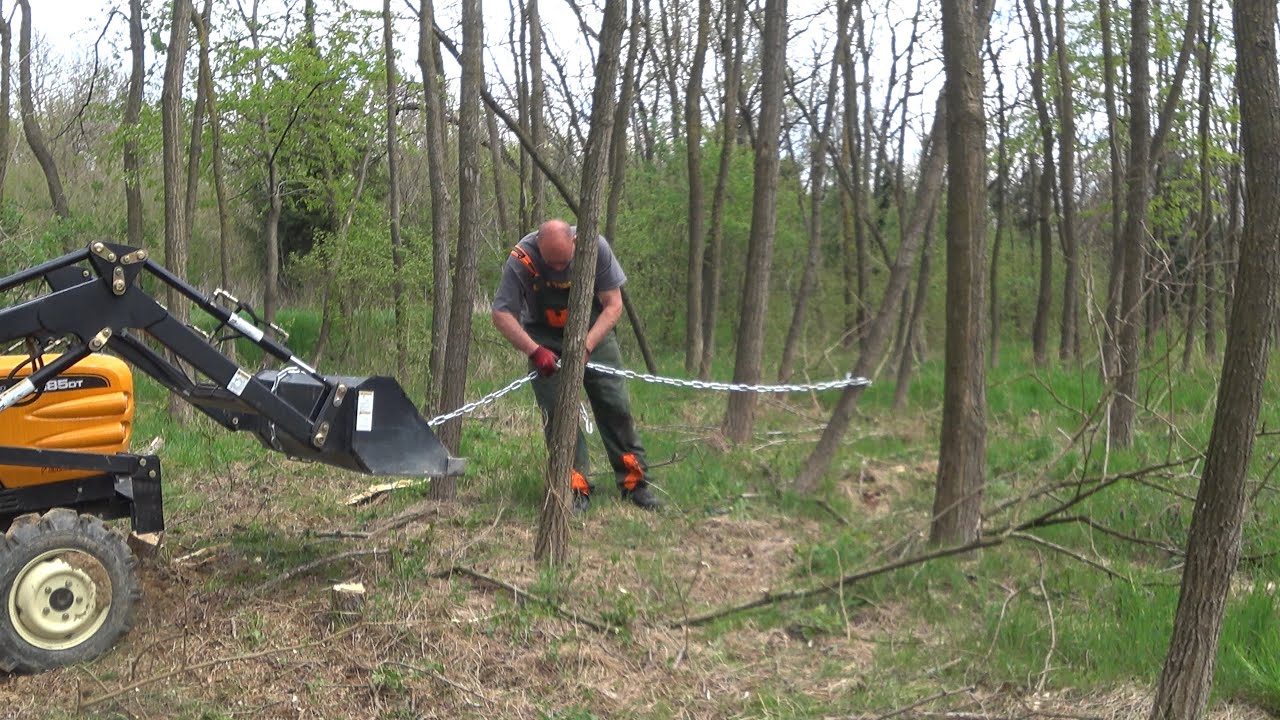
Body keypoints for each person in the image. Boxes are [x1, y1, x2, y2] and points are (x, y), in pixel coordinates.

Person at [491, 219, 662, 512]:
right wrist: (535, 351)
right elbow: (501, 313)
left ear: (574, 242)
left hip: (593, 332)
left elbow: (613, 305)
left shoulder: (596, 248)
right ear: (539, 249)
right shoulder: (522, 257)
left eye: (564, 263)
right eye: (551, 263)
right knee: (558, 415)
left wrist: (586, 344)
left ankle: (635, 483)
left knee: (616, 406)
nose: (558, 270)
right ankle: (576, 487)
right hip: (543, 339)